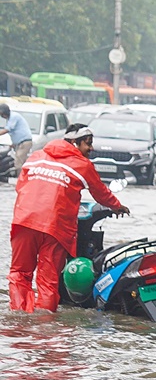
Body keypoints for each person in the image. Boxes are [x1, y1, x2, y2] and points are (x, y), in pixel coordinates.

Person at [9, 125, 129, 312]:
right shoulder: (82, 164)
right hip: (55, 227)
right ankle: (46, 328)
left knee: (19, 274)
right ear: (74, 143)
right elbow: (100, 192)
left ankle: (19, 317)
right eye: (88, 144)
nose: (91, 149)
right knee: (48, 282)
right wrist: (117, 206)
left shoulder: (36, 157)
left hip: (25, 220)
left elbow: (21, 187)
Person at [0, 102, 34, 174]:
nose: (1, 116)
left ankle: (20, 180)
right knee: (22, 162)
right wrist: (14, 143)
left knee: (18, 162)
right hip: (20, 143)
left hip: (24, 142)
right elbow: (14, 132)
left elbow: (7, 129)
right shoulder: (9, 119)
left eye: (1, 114)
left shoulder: (14, 116)